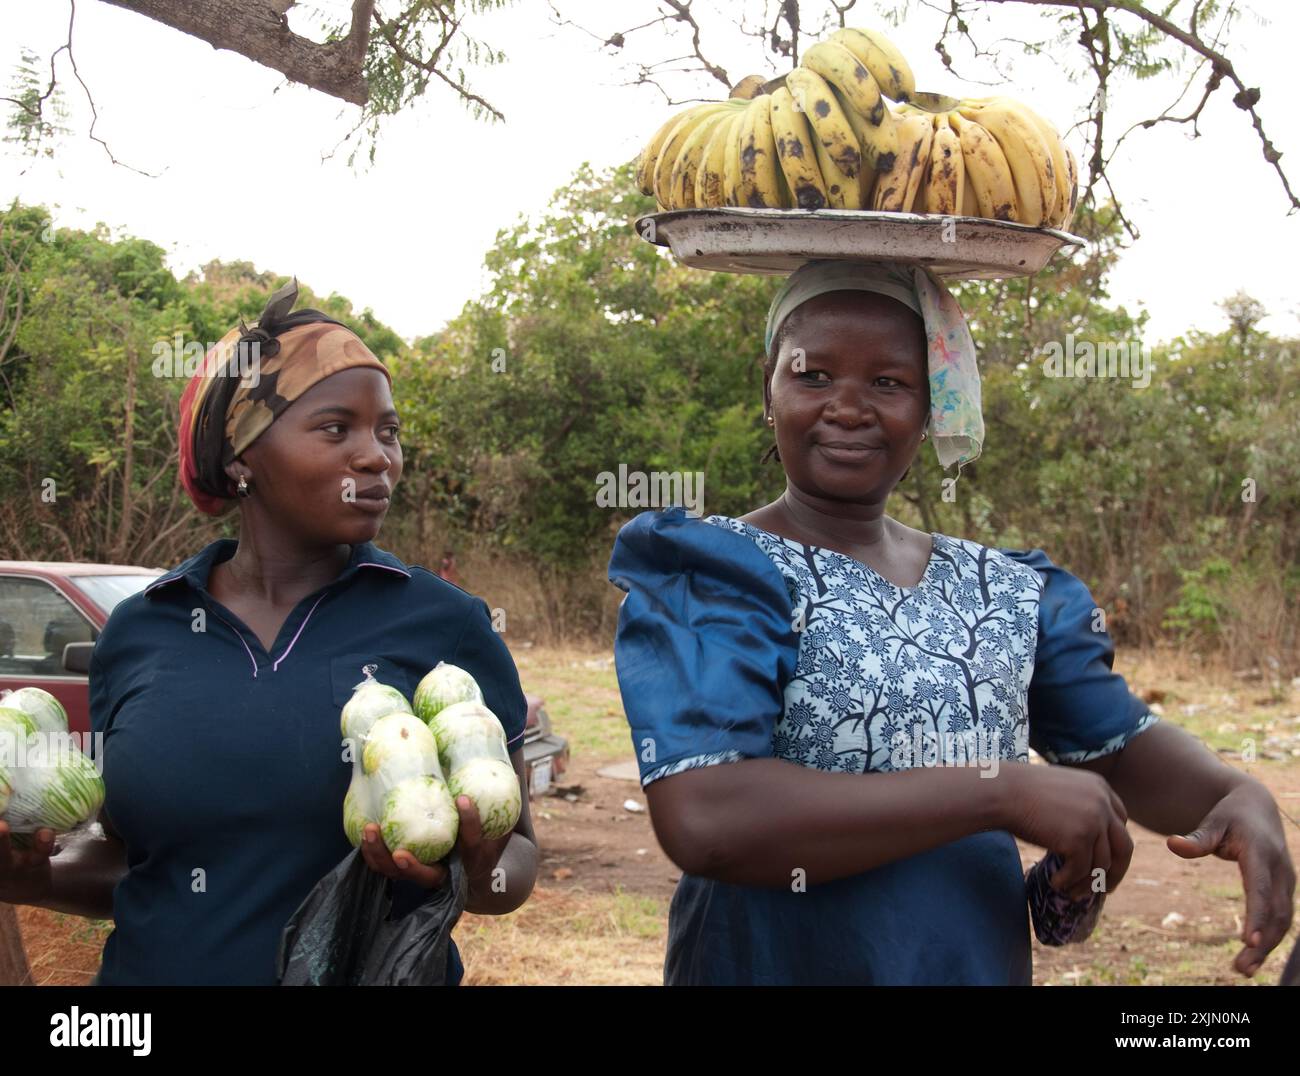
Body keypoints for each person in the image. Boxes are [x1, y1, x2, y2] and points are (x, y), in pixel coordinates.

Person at [608, 260, 1295, 986]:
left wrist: (1235, 796)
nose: (847, 407)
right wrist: (1002, 791)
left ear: (934, 402)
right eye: (813, 376)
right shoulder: (717, 573)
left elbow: (1118, 751)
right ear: (768, 388)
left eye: (889, 382)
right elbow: (707, 818)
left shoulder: (1004, 590)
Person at [0, 279, 538, 985]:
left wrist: (475, 870)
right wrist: (28, 877)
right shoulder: (142, 631)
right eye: (336, 428)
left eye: (389, 431)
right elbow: (139, 866)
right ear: (241, 459)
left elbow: (519, 863)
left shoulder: (443, 626)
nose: (377, 457)